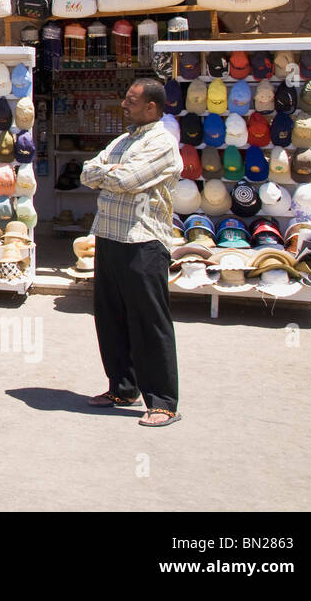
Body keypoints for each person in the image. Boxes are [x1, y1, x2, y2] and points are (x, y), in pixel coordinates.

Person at [79, 78, 184, 427]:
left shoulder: (163, 143)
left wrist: (108, 173)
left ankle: (163, 402)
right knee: (110, 317)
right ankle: (123, 388)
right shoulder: (124, 140)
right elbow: (86, 172)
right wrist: (111, 172)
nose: (124, 105)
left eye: (131, 101)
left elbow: (127, 181)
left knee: (148, 321)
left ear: (151, 107)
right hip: (110, 236)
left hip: (144, 241)